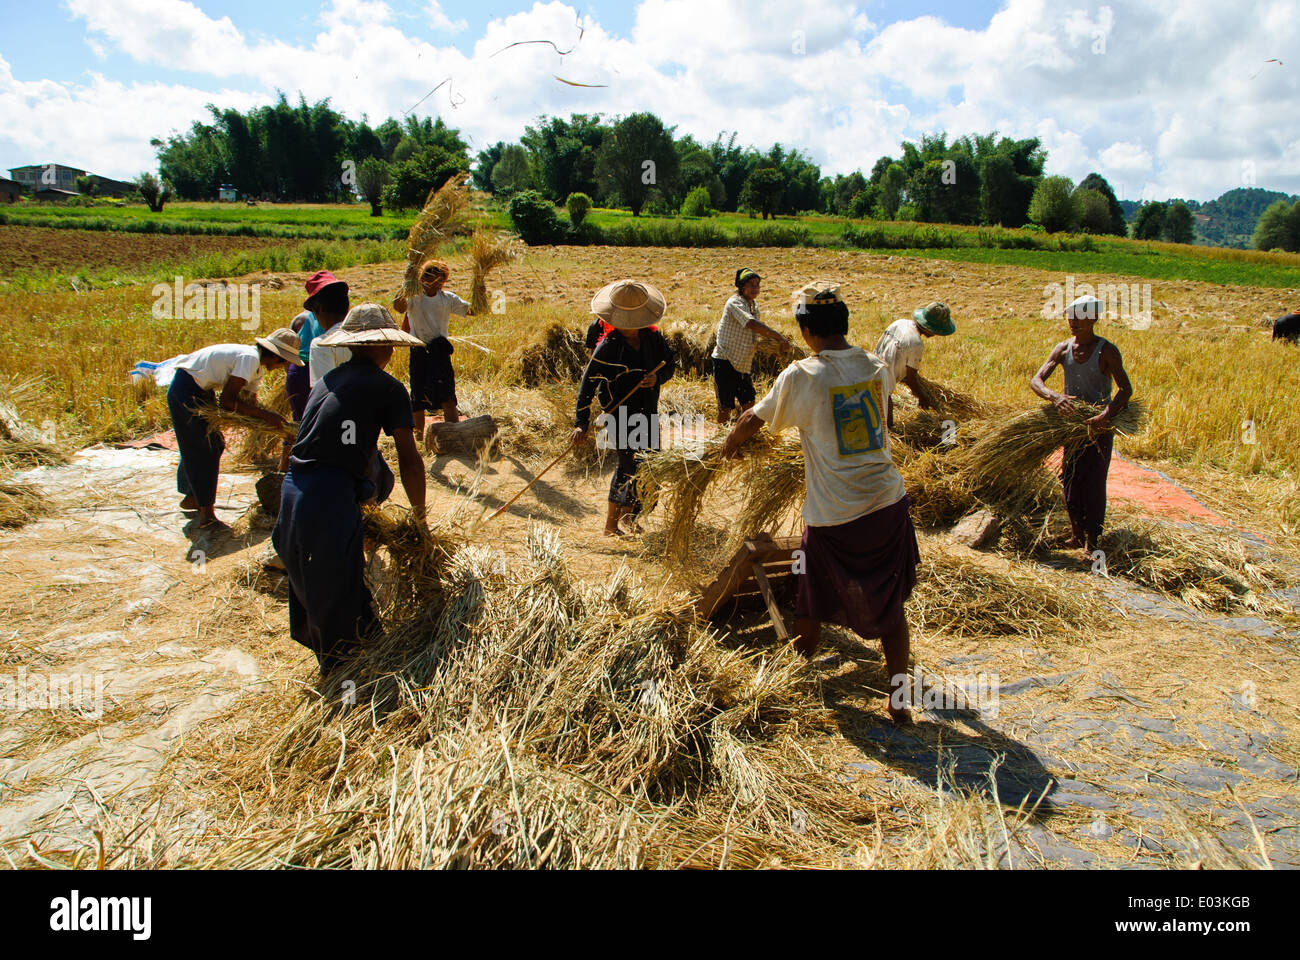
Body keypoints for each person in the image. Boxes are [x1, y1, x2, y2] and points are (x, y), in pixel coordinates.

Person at [721, 281, 918, 723]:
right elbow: (882, 424)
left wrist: (730, 441)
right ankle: (900, 700)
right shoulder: (877, 366)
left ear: (806, 329)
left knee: (809, 595)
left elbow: (757, 416)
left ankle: (797, 670)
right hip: (888, 504)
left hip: (835, 516)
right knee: (891, 604)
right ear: (844, 323)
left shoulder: (802, 375)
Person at [272, 304, 428, 678]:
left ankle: (352, 661)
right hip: (326, 499)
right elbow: (410, 458)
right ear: (388, 346)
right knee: (337, 596)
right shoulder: (388, 388)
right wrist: (420, 519)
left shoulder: (327, 380)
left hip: (293, 494)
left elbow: (331, 442)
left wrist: (365, 492)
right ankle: (346, 684)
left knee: (322, 586)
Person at [1030, 294, 1134, 560]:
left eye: (1080, 317)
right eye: (1070, 316)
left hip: (1098, 429)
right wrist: (1056, 397)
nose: (1073, 322)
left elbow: (1125, 389)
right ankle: (1076, 533)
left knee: (1094, 483)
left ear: (1094, 319)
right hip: (1073, 428)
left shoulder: (1106, 351)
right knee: (1070, 479)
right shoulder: (1063, 349)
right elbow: (1037, 380)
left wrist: (1105, 415)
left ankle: (1092, 542)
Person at [571, 279, 677, 537]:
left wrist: (657, 379)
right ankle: (610, 525)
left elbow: (669, 365)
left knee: (648, 463)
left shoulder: (653, 338)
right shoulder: (608, 346)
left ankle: (629, 519)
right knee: (627, 465)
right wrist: (581, 422)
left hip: (648, 410)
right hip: (619, 413)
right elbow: (587, 385)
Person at [168, 329, 302, 530]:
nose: (283, 366)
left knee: (211, 444)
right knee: (205, 447)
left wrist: (275, 426)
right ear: (274, 355)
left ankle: (193, 496)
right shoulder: (249, 359)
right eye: (283, 361)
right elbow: (228, 401)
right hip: (186, 391)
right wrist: (268, 417)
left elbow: (248, 402)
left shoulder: (256, 368)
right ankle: (206, 514)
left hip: (200, 391)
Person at [277, 271, 349, 471]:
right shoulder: (307, 321)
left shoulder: (327, 326)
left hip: (317, 369)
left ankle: (296, 468)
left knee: (309, 424)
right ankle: (289, 468)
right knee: (304, 423)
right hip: (307, 371)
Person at [393, 259, 470, 443]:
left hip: (440, 352)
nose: (433, 281)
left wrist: (480, 289)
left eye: (438, 277)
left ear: (443, 280)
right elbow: (398, 306)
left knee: (448, 398)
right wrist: (406, 282)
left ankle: (453, 438)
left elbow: (472, 310)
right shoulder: (413, 297)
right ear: (422, 278)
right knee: (418, 399)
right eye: (428, 276)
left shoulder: (447, 299)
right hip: (419, 351)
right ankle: (419, 440)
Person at [711, 268, 793, 423]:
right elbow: (751, 323)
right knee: (725, 407)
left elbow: (755, 333)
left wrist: (775, 346)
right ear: (742, 286)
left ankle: (742, 434)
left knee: (749, 403)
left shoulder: (753, 305)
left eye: (757, 285)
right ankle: (722, 439)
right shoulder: (735, 302)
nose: (755, 288)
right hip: (726, 360)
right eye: (751, 285)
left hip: (742, 363)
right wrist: (778, 337)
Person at [874, 301, 956, 428]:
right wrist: (923, 397)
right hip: (882, 385)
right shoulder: (916, 343)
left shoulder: (900, 323)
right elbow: (911, 379)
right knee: (887, 428)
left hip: (871, 370)